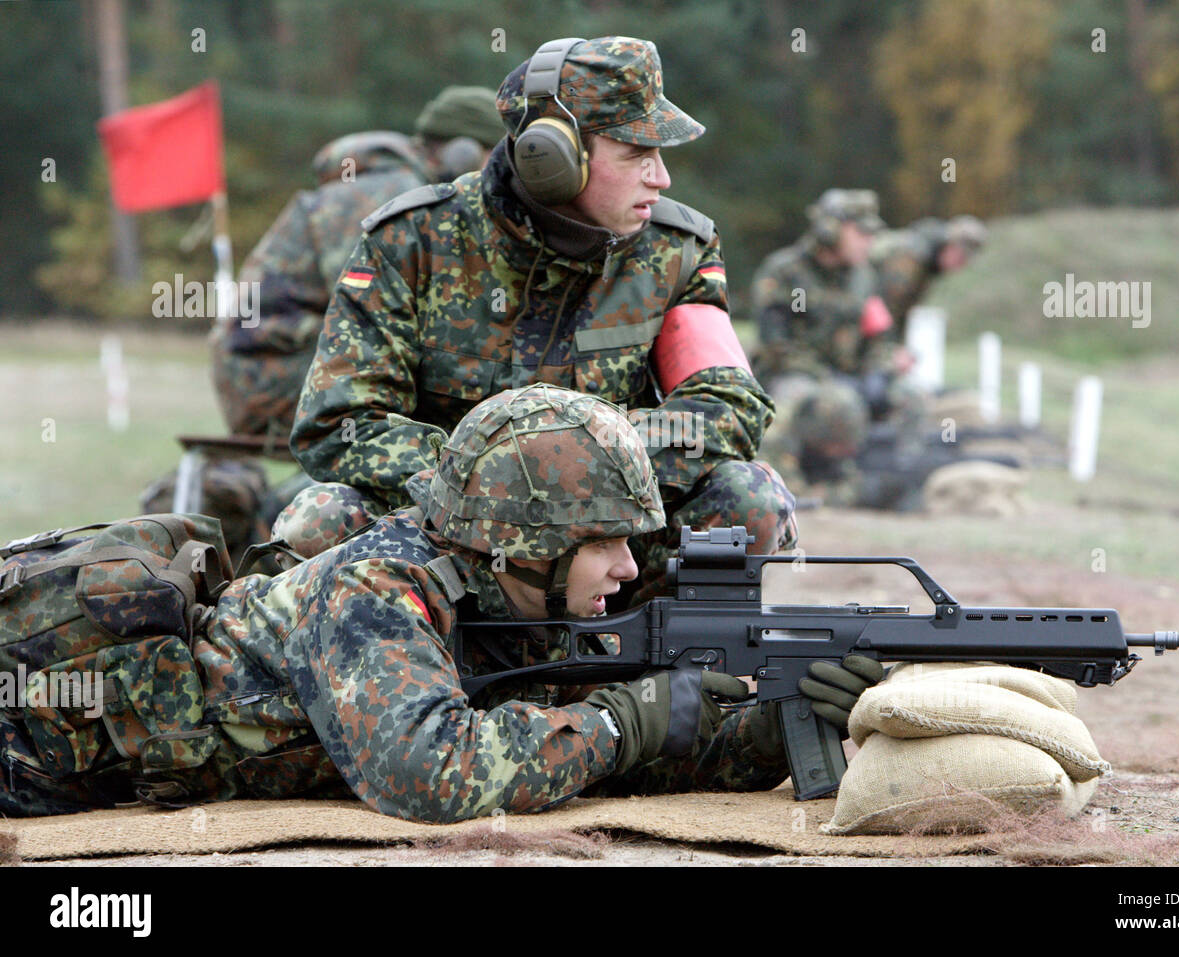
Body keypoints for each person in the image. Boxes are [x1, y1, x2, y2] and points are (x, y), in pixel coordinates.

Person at [0, 386, 881, 822]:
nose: (625, 565)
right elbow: (428, 772)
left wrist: (766, 725)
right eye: (606, 539)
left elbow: (600, 742)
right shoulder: (378, 585)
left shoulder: (510, 597)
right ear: (526, 538)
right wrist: (621, 723)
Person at [287, 37, 796, 607]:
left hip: (613, 541)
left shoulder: (678, 250)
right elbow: (339, 423)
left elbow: (728, 404)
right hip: (451, 541)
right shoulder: (412, 241)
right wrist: (489, 484)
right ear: (551, 157)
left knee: (749, 495)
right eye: (636, 153)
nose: (662, 177)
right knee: (322, 517)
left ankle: (658, 681)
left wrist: (593, 473)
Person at [211, 85, 505, 441]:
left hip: (278, 369)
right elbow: (367, 309)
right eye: (497, 158)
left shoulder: (402, 188)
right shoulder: (386, 195)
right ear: (466, 153)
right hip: (270, 379)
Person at [749, 189, 912, 502]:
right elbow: (775, 345)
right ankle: (783, 489)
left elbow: (878, 337)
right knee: (790, 407)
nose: (869, 242)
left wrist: (880, 369)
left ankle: (895, 480)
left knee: (909, 397)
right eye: (861, 233)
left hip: (849, 378)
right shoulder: (784, 271)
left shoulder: (864, 277)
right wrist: (827, 380)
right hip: (793, 376)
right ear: (829, 230)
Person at [871, 214, 988, 338]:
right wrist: (891, 349)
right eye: (959, 258)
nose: (959, 266)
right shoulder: (909, 261)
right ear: (947, 246)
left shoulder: (927, 265)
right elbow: (886, 310)